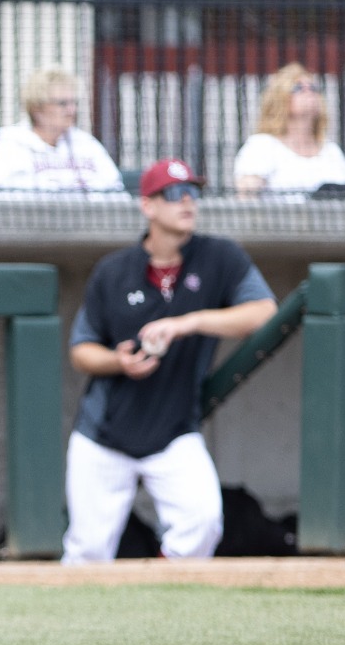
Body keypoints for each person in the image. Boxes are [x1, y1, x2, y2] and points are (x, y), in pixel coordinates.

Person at [62, 158, 277, 565]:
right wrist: (118, 362)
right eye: (175, 194)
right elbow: (81, 351)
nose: (187, 202)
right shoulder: (114, 271)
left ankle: (158, 596)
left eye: (193, 193)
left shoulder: (219, 256)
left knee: (202, 524)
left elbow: (265, 311)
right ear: (148, 206)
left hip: (173, 430)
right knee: (87, 550)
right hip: (104, 434)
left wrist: (188, 323)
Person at [0, 67, 125, 194]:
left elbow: (116, 191)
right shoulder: (13, 146)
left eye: (74, 102)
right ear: (37, 109)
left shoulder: (86, 144)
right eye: (62, 103)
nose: (72, 110)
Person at [233, 63, 345, 195]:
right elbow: (246, 195)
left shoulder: (330, 150)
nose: (308, 92)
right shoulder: (264, 145)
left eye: (313, 88)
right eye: (298, 88)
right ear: (279, 98)